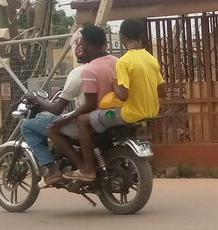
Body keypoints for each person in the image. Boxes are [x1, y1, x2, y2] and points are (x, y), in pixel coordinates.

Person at [64, 18, 164, 183]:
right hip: (151, 112)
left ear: (122, 36)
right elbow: (162, 90)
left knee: (82, 120)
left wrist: (115, 85)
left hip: (126, 114)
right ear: (141, 36)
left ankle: (87, 169)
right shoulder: (151, 59)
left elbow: (123, 95)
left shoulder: (124, 61)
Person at [46, 25, 118, 179]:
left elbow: (90, 104)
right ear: (104, 43)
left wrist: (64, 119)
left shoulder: (89, 70)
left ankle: (85, 168)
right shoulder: (117, 62)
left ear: (86, 44)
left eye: (82, 42)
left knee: (54, 129)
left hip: (97, 118)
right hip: (113, 114)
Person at [19, 33, 89, 186]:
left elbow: (57, 109)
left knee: (28, 126)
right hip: (103, 118)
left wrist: (36, 98)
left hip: (83, 123)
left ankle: (52, 170)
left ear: (80, 48)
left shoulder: (79, 73)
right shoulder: (113, 64)